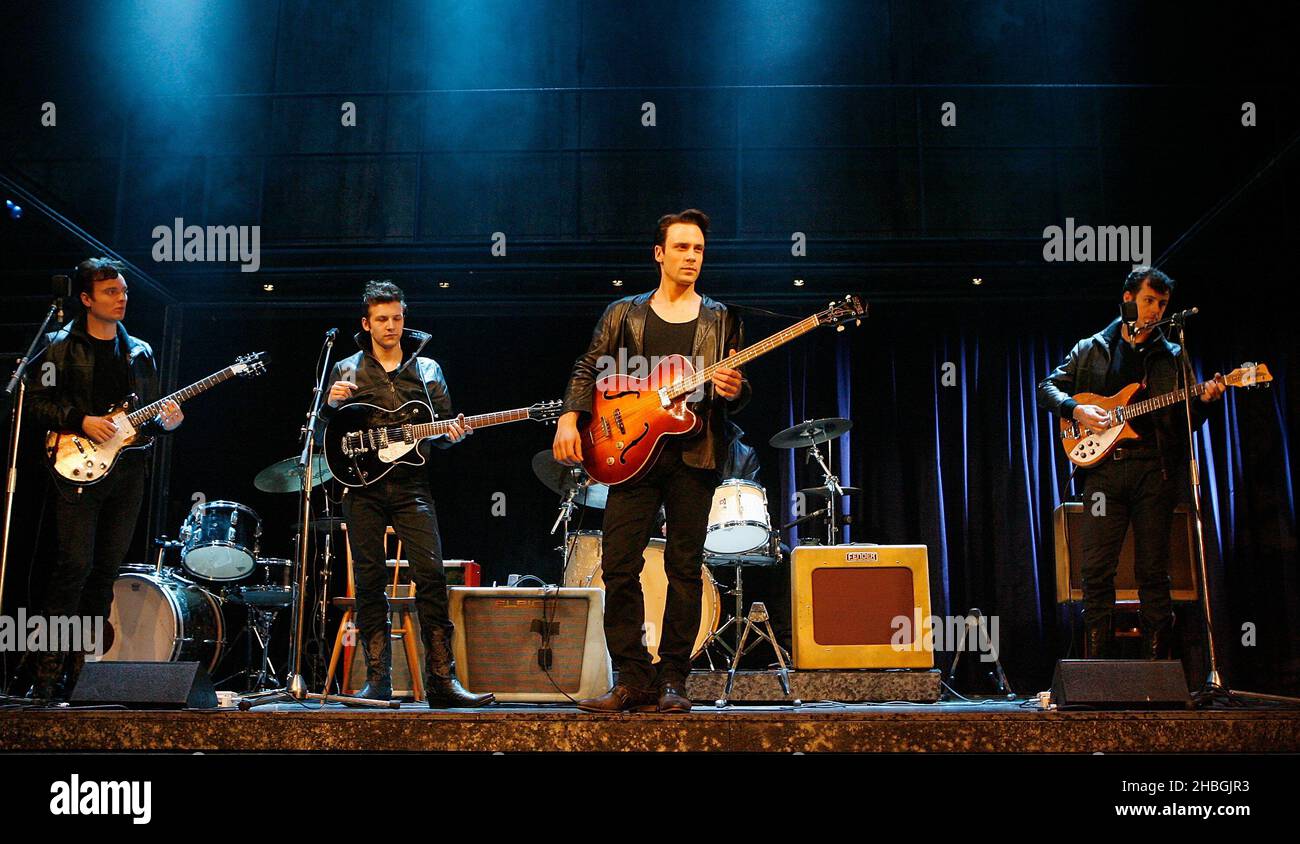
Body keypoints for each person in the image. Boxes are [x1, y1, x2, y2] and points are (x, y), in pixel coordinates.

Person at [553, 209, 749, 713]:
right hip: (630, 453)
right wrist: (570, 419)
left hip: (695, 454)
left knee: (685, 569)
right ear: (659, 253)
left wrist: (735, 389)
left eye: (699, 249)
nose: (691, 257)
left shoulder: (722, 318)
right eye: (682, 247)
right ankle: (633, 678)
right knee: (619, 566)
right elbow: (589, 366)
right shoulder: (625, 313)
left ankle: (674, 680)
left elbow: (738, 391)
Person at [1037, 266, 1224, 659]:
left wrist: (1205, 402)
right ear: (1128, 299)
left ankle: (1157, 670)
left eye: (1162, 304)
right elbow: (1046, 388)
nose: (1156, 310)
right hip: (1103, 473)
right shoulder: (1091, 348)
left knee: (1154, 571)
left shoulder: (1172, 356)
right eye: (1149, 300)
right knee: (1096, 571)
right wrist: (1077, 409)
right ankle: (1097, 669)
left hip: (1154, 471)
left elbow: (1185, 422)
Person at [323, 280, 492, 707]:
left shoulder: (428, 368)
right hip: (361, 486)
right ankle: (377, 680)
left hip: (411, 484)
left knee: (431, 575)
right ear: (366, 323)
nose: (391, 326)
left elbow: (444, 430)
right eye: (382, 319)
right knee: (369, 580)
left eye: (397, 318)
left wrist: (454, 434)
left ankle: (442, 681)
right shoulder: (346, 368)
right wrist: (330, 405)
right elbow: (330, 431)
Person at [23, 258, 182, 699]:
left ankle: (82, 674)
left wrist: (166, 421)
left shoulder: (140, 352)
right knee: (73, 567)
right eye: (111, 292)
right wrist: (81, 420)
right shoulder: (57, 347)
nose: (122, 298)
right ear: (86, 298)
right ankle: (46, 675)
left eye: (124, 290)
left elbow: (144, 418)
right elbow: (35, 403)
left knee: (104, 572)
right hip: (75, 468)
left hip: (126, 472)